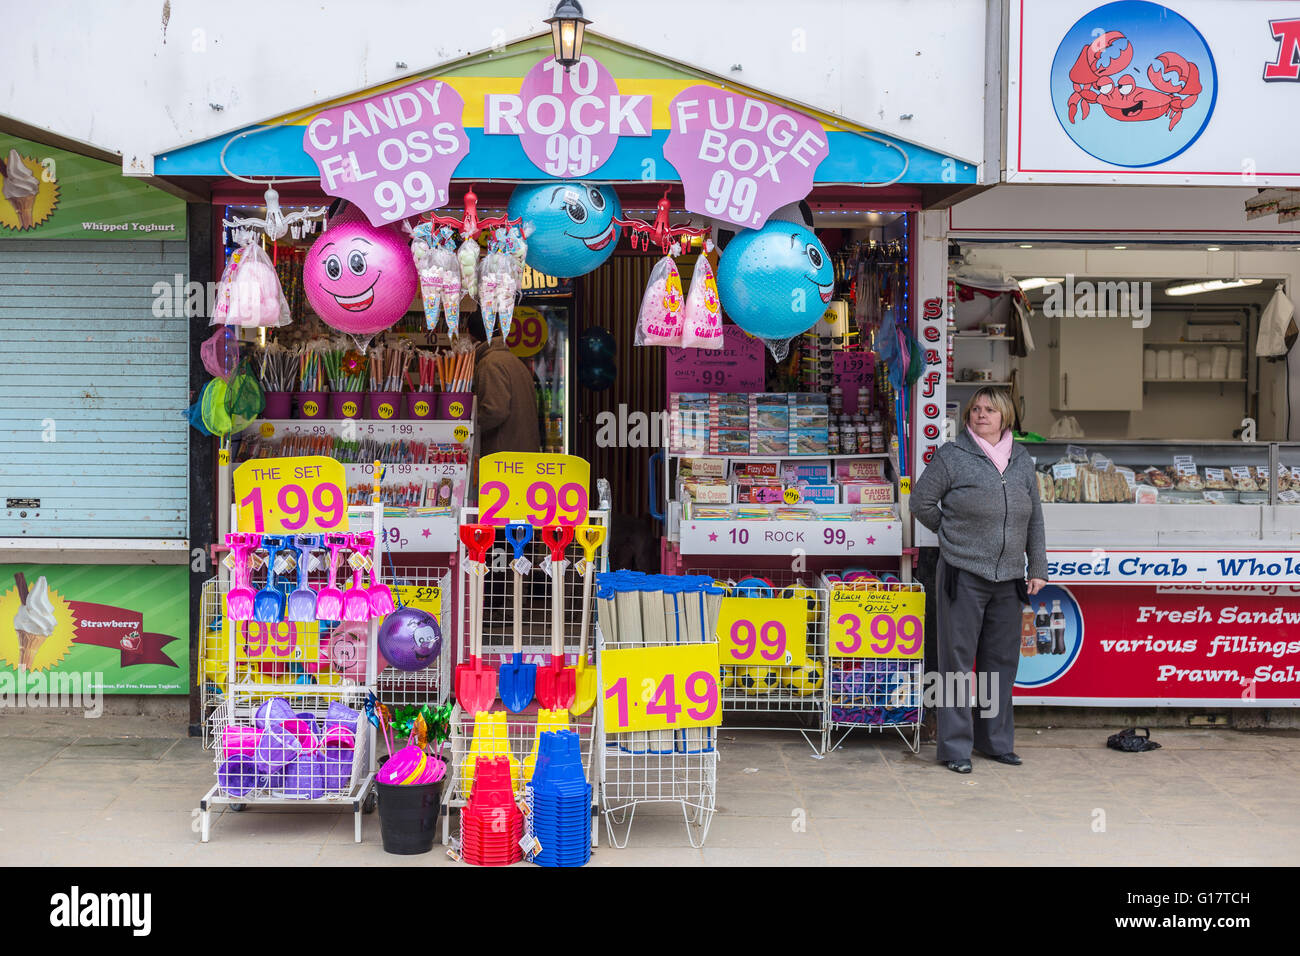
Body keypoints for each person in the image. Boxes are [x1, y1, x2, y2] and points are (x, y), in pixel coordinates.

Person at [910, 386, 1048, 774]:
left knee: (1000, 663)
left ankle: (995, 742)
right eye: (975, 409)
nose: (980, 415)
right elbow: (920, 501)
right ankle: (955, 748)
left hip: (1009, 576)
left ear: (1006, 416)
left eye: (989, 410)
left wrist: (1037, 565)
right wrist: (952, 535)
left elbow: (1034, 517)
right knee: (955, 662)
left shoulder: (1022, 460)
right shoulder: (953, 456)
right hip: (963, 572)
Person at [468, 312, 541, 458]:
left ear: (471, 335)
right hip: (522, 454)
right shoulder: (513, 360)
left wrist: (469, 427)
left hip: (504, 457)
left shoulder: (490, 364)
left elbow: (495, 412)